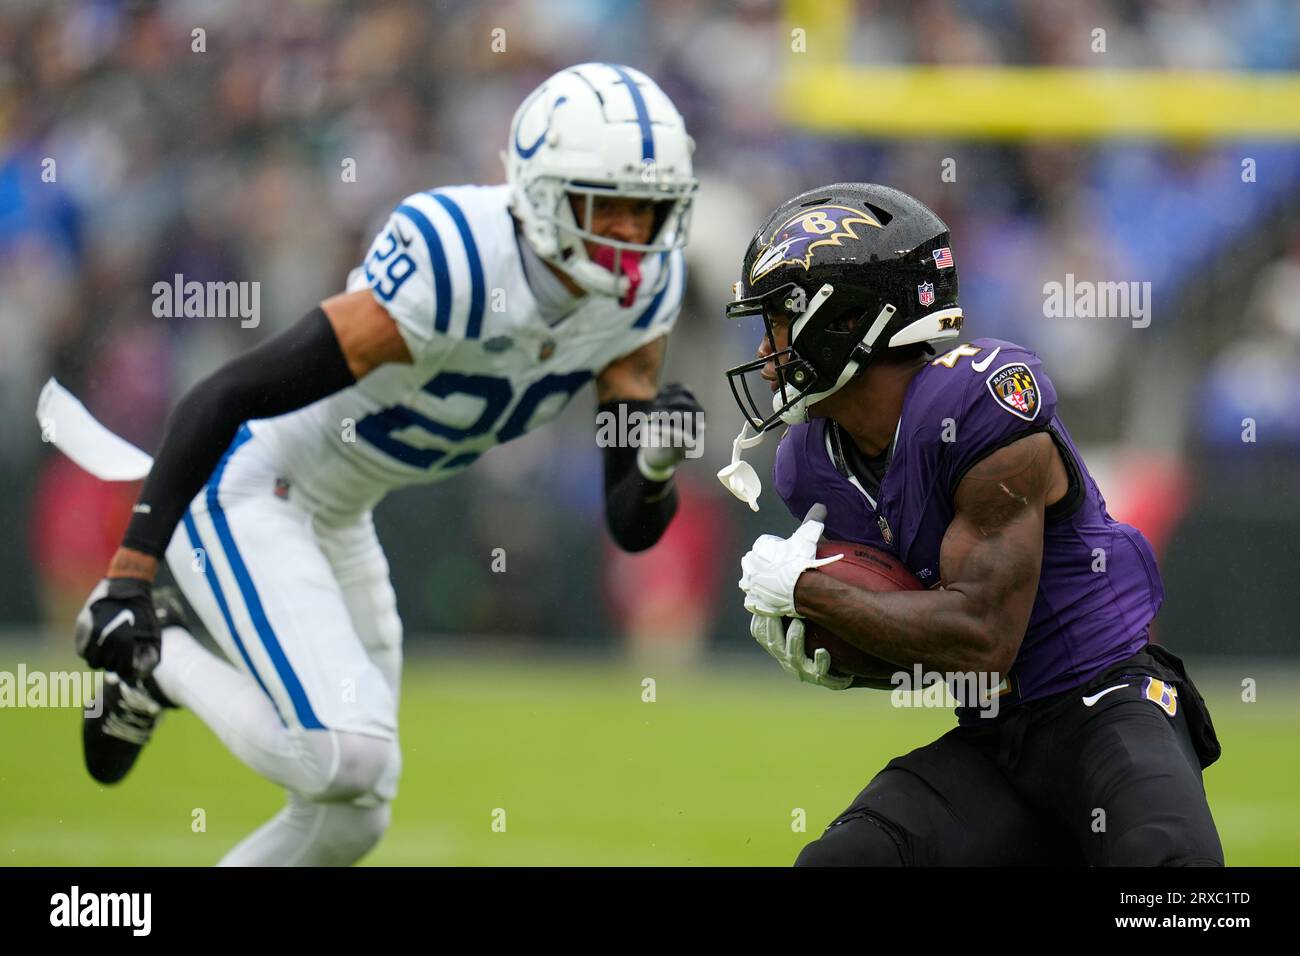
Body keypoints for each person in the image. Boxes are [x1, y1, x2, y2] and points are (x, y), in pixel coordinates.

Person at [71, 63, 703, 866]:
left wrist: (652, 463)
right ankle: (158, 661)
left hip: (342, 509)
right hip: (254, 480)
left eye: (646, 209)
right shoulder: (458, 262)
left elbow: (630, 524)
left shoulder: (643, 295)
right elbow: (224, 394)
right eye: (604, 203)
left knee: (352, 817)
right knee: (348, 755)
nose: (626, 231)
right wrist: (130, 573)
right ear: (542, 193)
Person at [723, 182, 1223, 866]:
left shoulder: (980, 402)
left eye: (778, 317)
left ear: (844, 319)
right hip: (996, 734)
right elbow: (939, 646)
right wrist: (851, 659)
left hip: (1107, 701)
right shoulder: (811, 464)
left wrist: (810, 591)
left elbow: (983, 635)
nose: (764, 346)